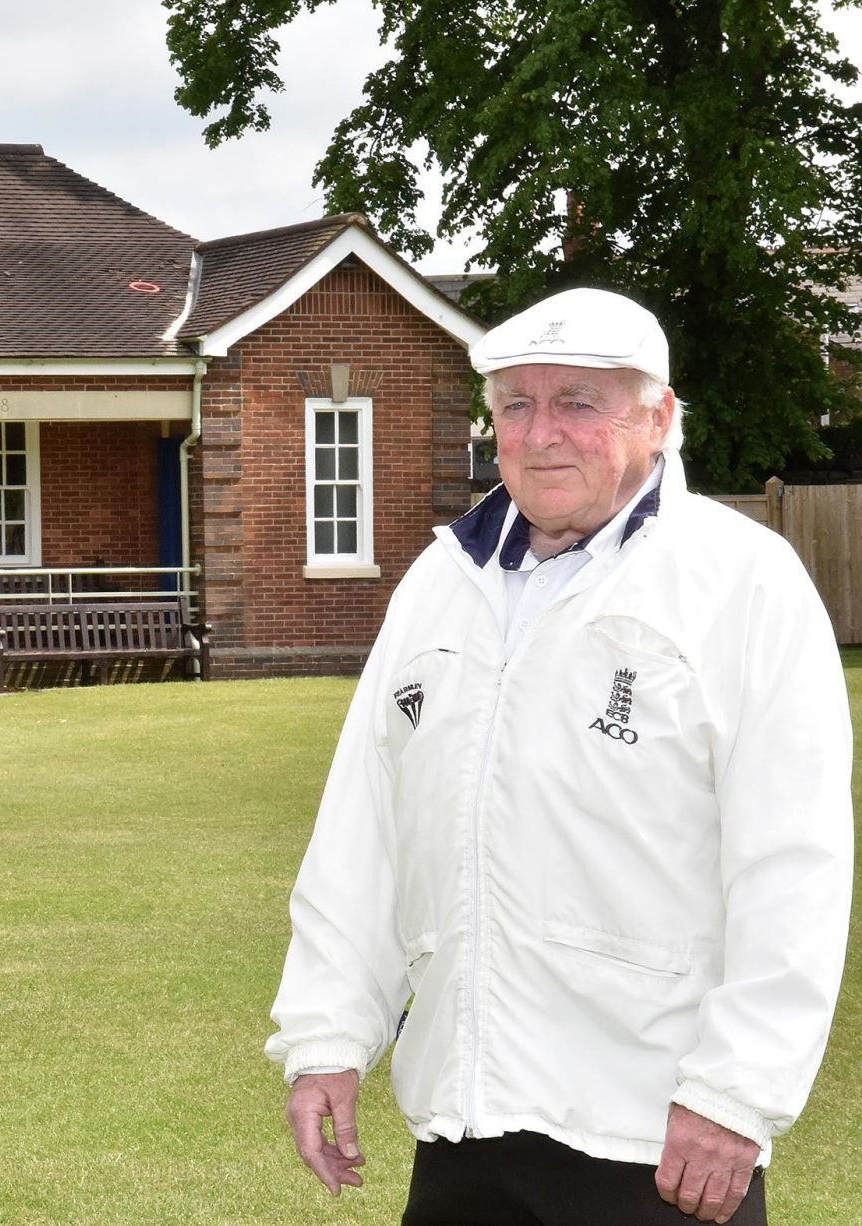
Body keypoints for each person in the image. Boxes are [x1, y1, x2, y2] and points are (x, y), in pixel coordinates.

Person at [265, 288, 853, 1225]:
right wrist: (328, 1034)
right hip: (465, 1126)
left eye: (579, 402)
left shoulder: (742, 583)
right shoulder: (440, 580)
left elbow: (794, 865)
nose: (542, 434)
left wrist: (736, 1094)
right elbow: (366, 827)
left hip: (656, 1136)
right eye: (516, 405)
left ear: (659, 418)